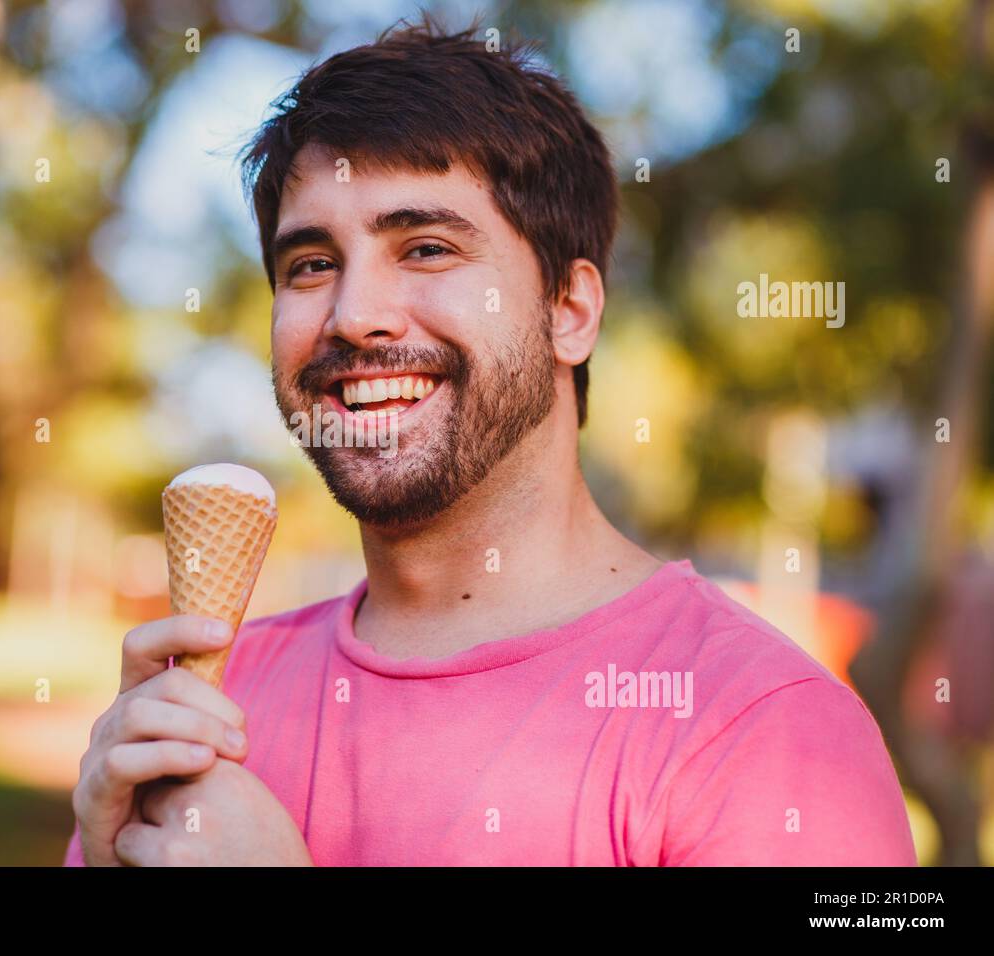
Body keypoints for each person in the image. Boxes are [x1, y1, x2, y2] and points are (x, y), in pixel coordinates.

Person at [64, 16, 916, 866]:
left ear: (569, 310)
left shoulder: (766, 729)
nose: (355, 315)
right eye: (312, 264)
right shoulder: (211, 706)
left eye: (427, 248)